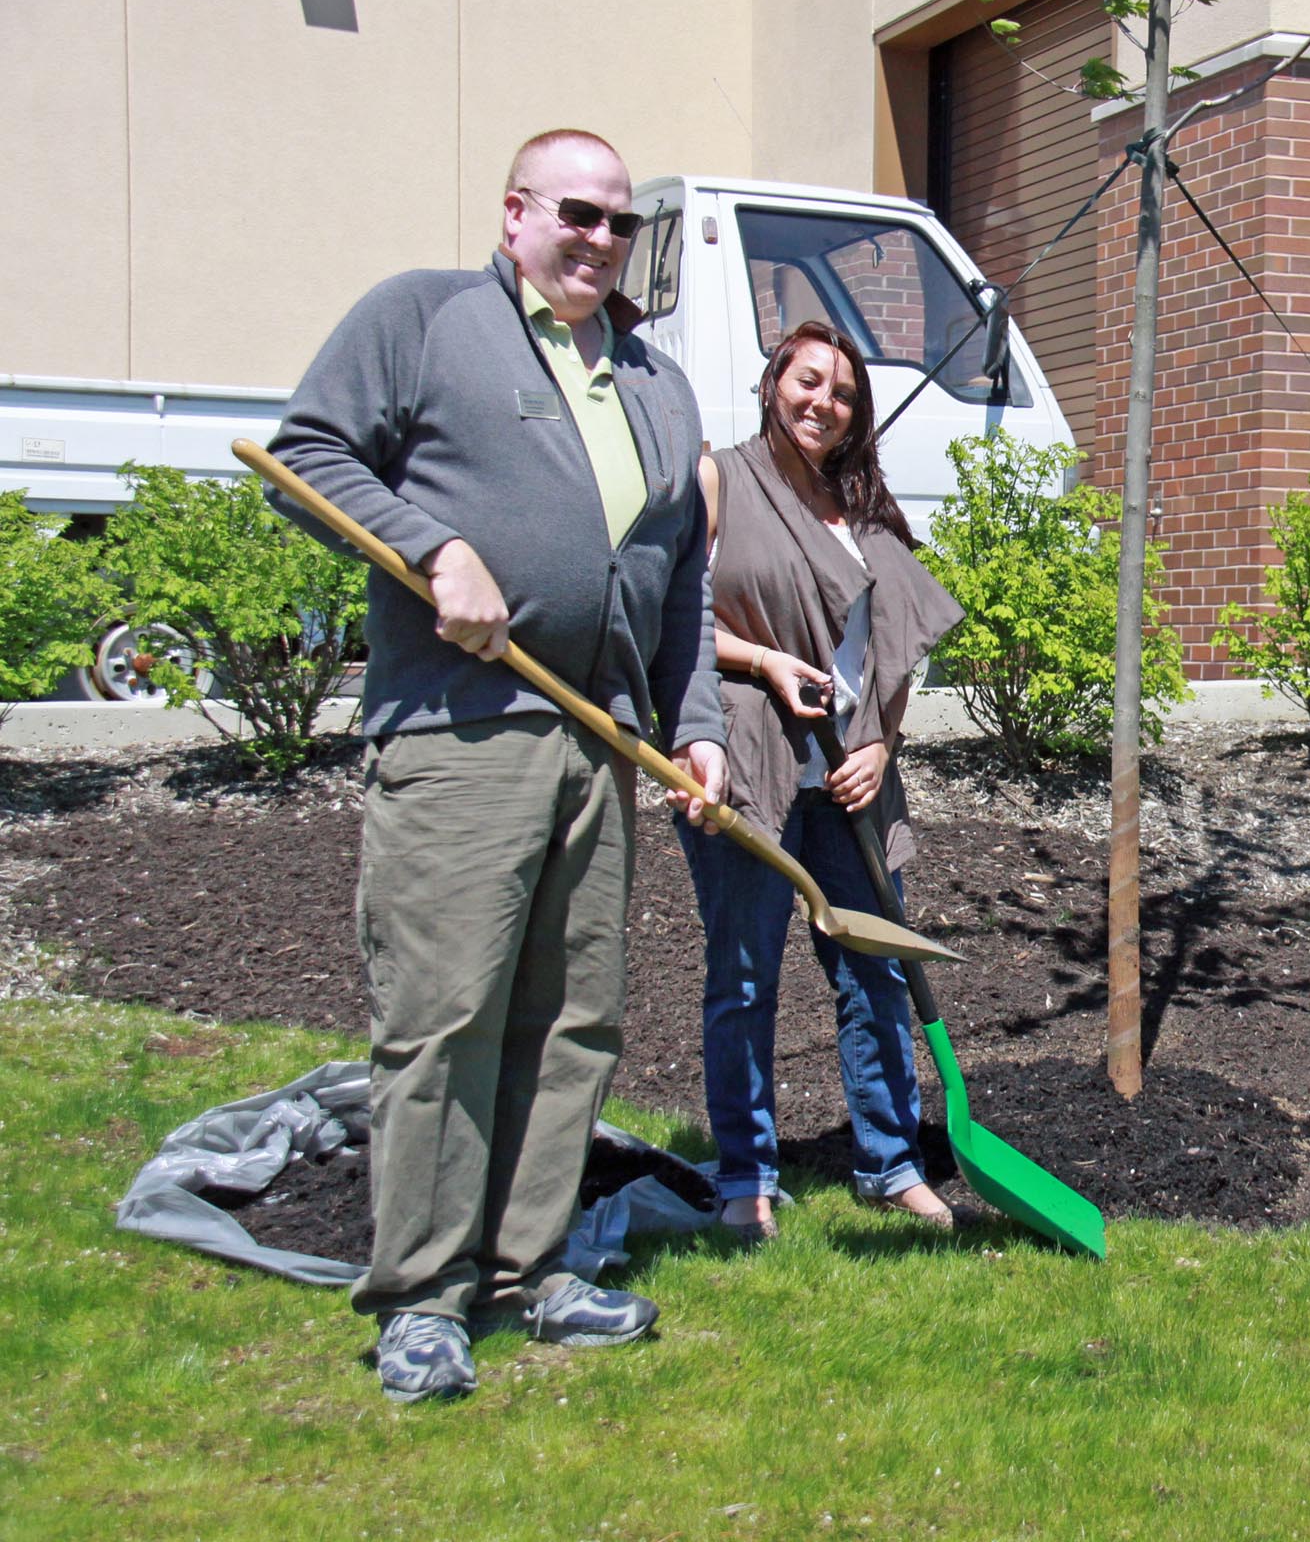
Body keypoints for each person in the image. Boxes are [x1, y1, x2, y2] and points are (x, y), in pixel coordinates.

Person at [268, 129, 727, 1402]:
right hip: (463, 734)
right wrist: (431, 553)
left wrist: (695, 722)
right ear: (516, 210)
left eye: (620, 223)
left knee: (575, 1019)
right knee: (444, 1018)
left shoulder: (654, 380)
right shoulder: (426, 317)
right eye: (576, 214)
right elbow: (307, 456)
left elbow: (679, 577)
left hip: (602, 741)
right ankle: (423, 1294)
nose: (598, 239)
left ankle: (530, 1270)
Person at [678, 320, 963, 1244]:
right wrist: (760, 658)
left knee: (875, 966)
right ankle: (745, 1175)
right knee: (747, 976)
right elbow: (669, 611)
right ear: (774, 385)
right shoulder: (722, 477)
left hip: (852, 773)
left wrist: (883, 739)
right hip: (751, 761)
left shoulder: (862, 505)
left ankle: (890, 1161)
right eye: (807, 383)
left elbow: (899, 637)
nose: (822, 403)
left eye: (841, 394)